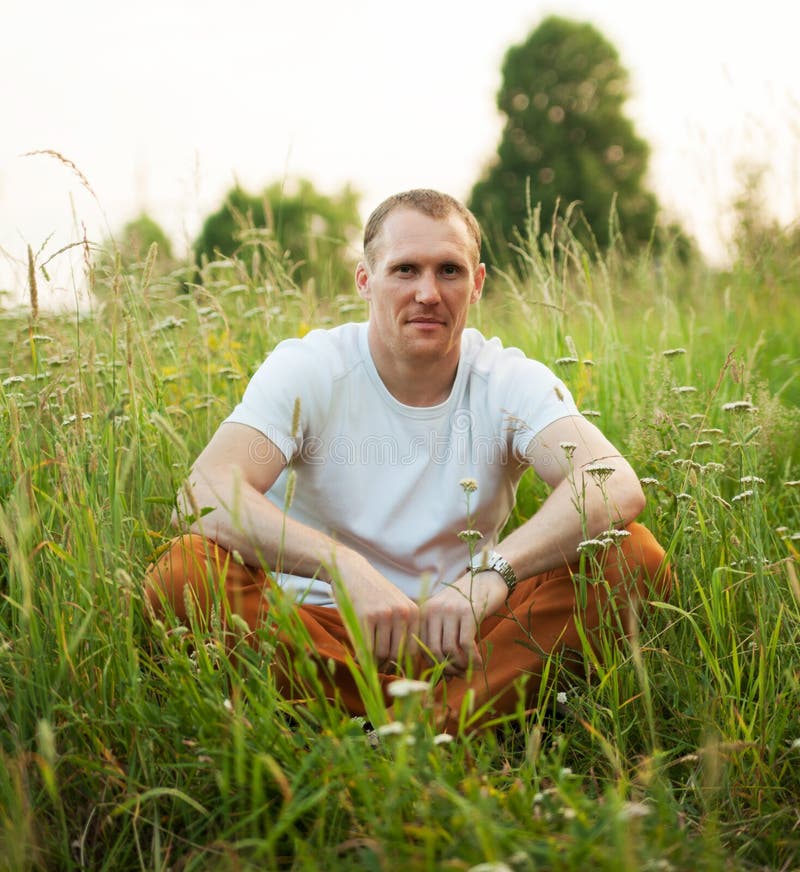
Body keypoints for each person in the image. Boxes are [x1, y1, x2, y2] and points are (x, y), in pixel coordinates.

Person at [144, 189, 670, 734]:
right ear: (365, 280)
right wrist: (341, 567)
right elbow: (204, 492)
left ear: (477, 283)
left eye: (449, 270)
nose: (427, 293)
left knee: (633, 557)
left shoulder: (508, 380)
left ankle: (404, 730)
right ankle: (436, 720)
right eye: (405, 270)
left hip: (464, 634)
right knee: (184, 572)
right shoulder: (311, 368)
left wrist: (491, 575)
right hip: (322, 634)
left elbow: (612, 483)